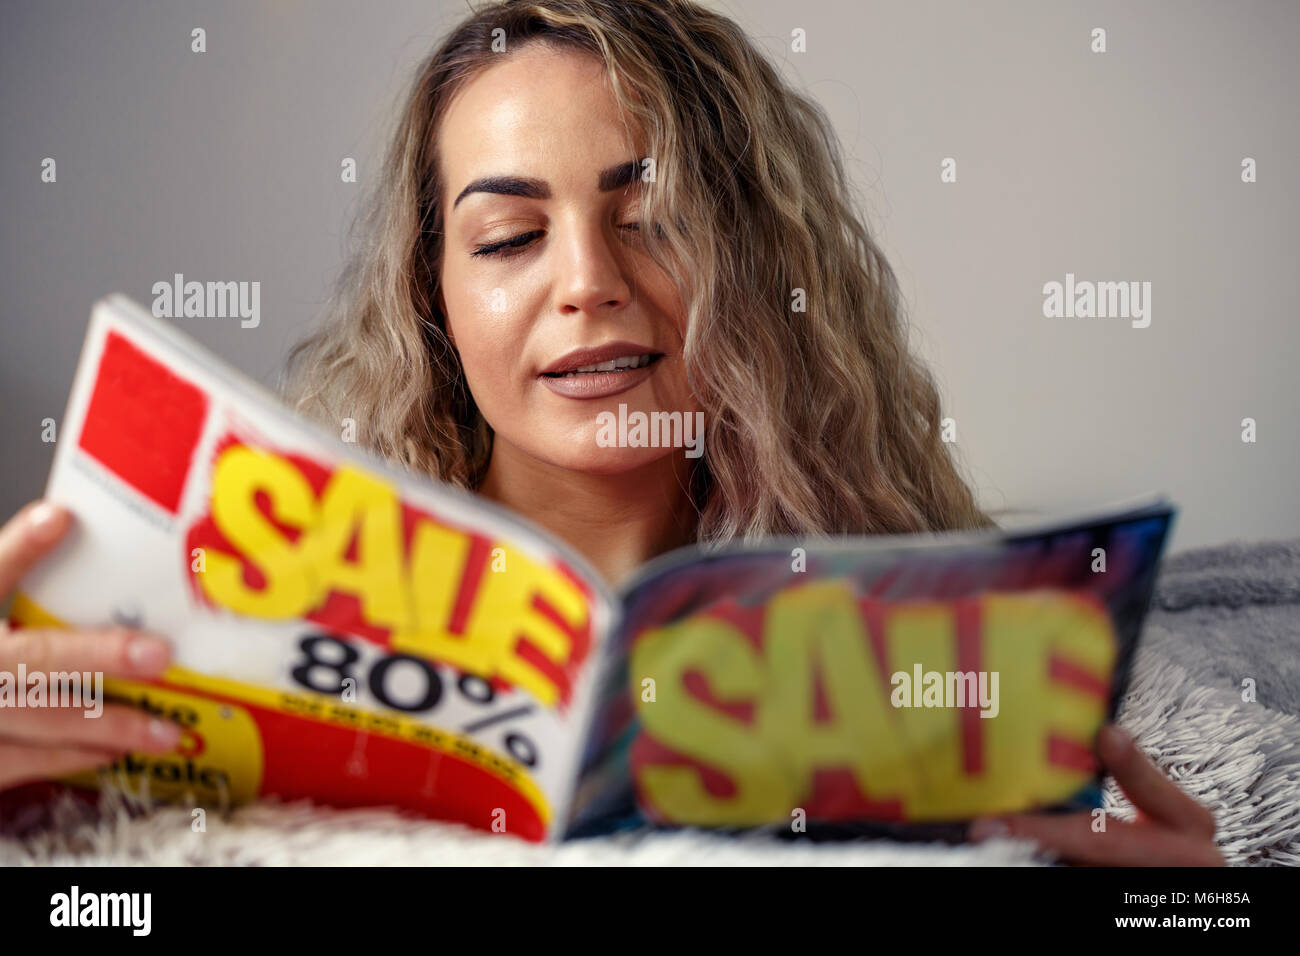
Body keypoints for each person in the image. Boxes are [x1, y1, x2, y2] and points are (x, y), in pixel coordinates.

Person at [0, 0, 1222, 864]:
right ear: (433, 294)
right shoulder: (228, 600)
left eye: (657, 217)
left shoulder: (935, 636)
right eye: (507, 237)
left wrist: (1184, 912)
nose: (586, 280)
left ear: (751, 266)